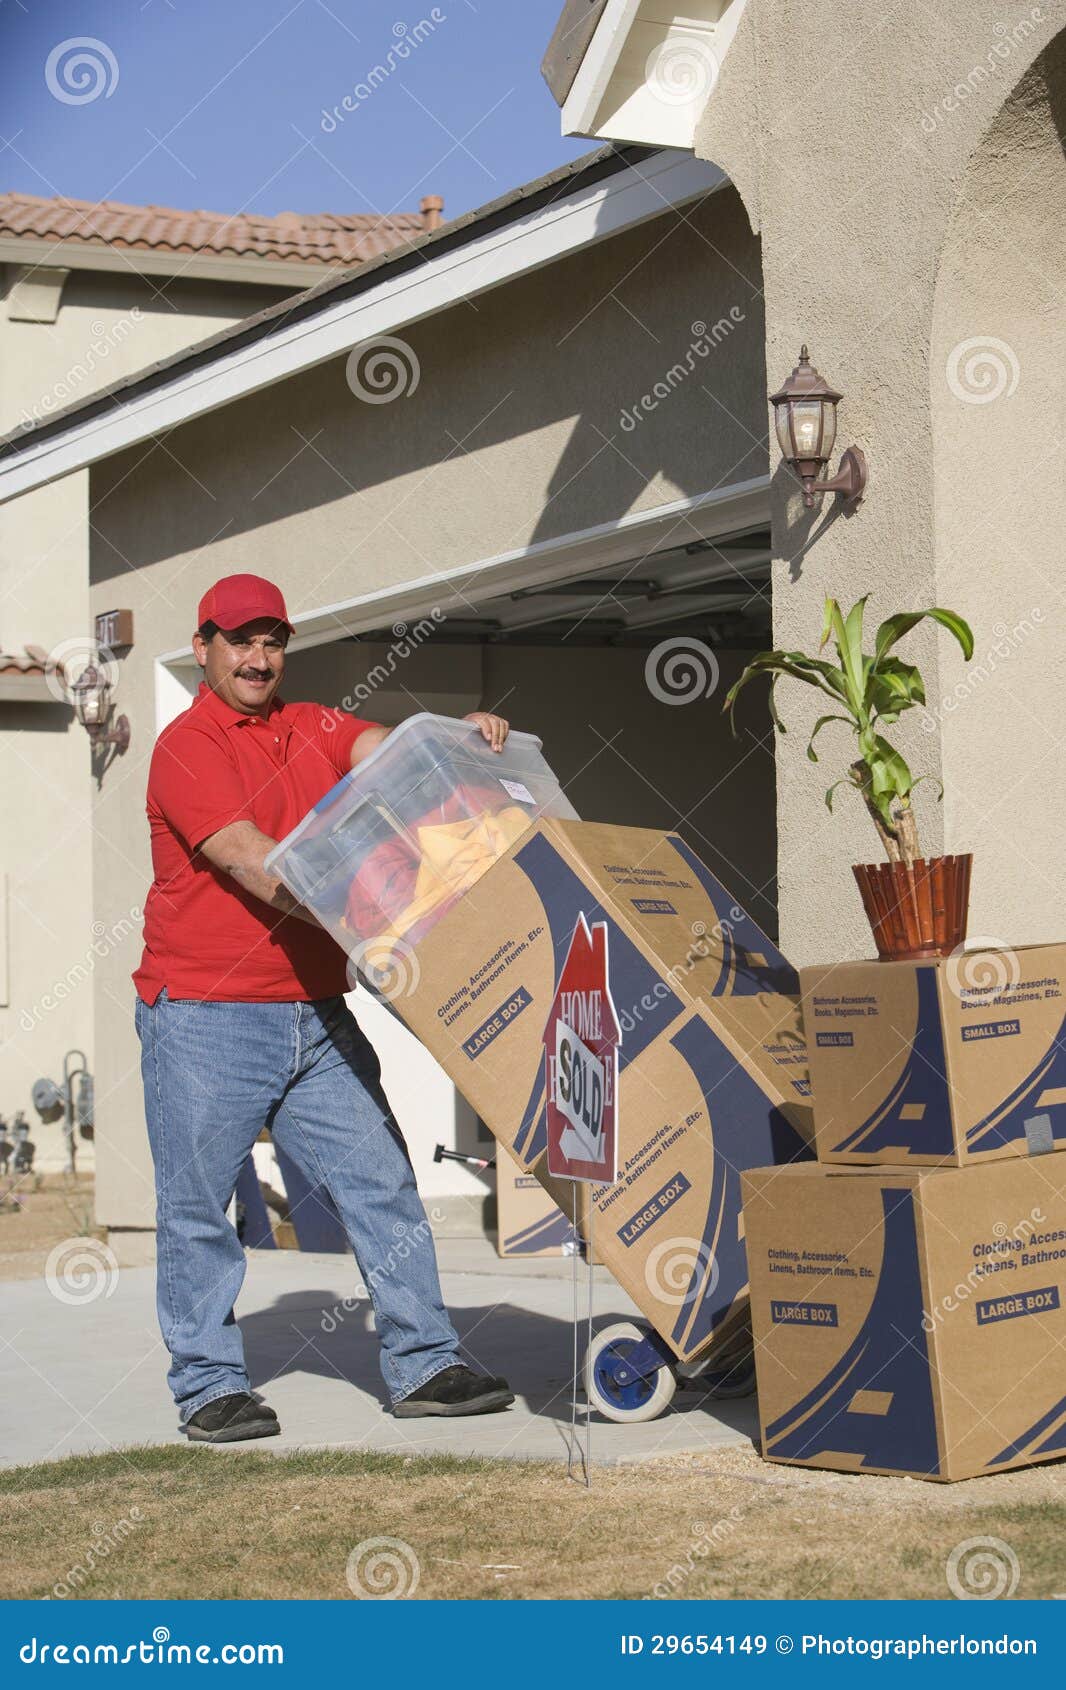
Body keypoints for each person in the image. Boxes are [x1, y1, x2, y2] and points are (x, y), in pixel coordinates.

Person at [134, 573, 514, 1443]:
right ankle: (209, 1386)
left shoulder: (306, 723)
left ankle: (426, 1363)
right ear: (205, 650)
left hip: (315, 1010)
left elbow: (385, 747)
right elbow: (256, 864)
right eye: (240, 642)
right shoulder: (186, 746)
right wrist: (386, 915)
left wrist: (455, 740)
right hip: (205, 1012)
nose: (258, 657)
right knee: (197, 1209)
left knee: (380, 1183)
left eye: (272, 641)